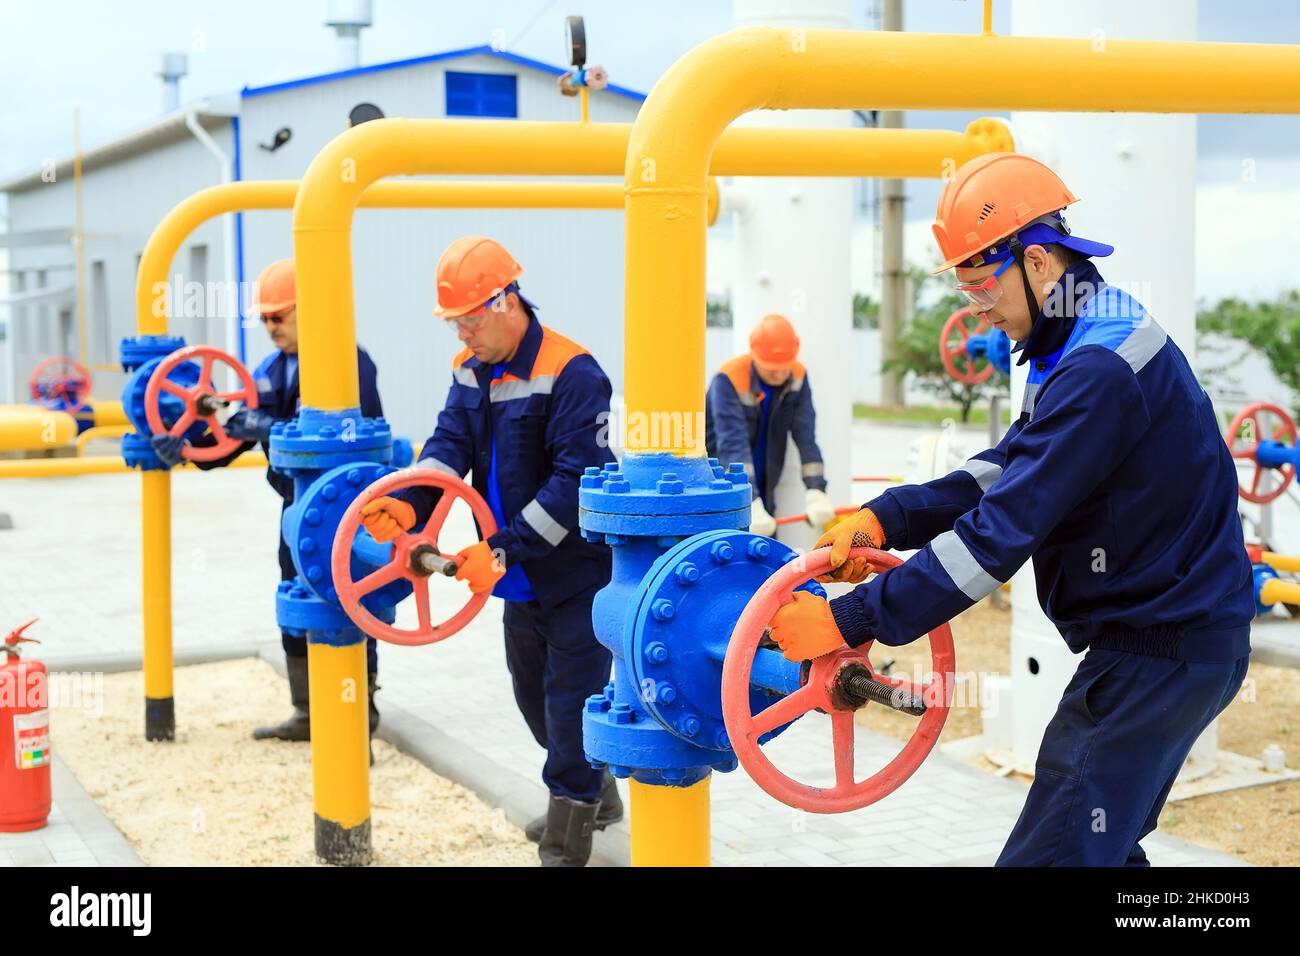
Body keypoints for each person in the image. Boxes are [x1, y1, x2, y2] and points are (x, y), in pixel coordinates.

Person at [767, 153, 1253, 866]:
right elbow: (1006, 470)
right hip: (1164, 642)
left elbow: (998, 536)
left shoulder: (1097, 370)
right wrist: (890, 516)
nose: (977, 309)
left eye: (979, 283)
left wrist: (849, 619)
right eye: (964, 288)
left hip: (1164, 651)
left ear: (1039, 264)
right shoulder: (1072, 343)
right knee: (1097, 849)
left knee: (1052, 856)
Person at [358, 236, 621, 867]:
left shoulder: (572, 371)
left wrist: (501, 547)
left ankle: (567, 839)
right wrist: (409, 508)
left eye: (468, 318)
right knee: (533, 698)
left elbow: (575, 481)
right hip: (516, 577)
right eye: (453, 321)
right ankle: (596, 794)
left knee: (569, 704)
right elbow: (448, 446)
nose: (462, 332)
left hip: (574, 575)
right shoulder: (470, 368)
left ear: (506, 302)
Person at [151, 258, 386, 743]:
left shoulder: (346, 363)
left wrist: (266, 428)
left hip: (345, 511)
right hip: (296, 512)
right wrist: (188, 445)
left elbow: (339, 440)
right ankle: (306, 713)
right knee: (296, 600)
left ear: (312, 310)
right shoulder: (267, 371)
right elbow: (229, 438)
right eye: (264, 319)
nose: (270, 326)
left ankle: (359, 713)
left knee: (345, 601)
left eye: (279, 316)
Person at [705, 313, 836, 536]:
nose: (777, 373)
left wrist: (816, 489)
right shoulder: (729, 378)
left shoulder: (797, 377)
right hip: (721, 481)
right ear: (754, 355)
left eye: (783, 366)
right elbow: (732, 444)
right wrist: (748, 500)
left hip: (766, 478)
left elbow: (806, 435)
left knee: (765, 550)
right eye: (770, 367)